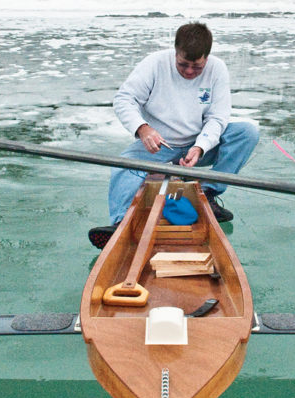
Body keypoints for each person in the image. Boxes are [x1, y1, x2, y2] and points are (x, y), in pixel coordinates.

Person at [88, 22, 260, 249]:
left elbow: (218, 118)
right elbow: (124, 99)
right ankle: (120, 223)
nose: (189, 71)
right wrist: (143, 128)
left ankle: (209, 191)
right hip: (158, 145)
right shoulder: (154, 63)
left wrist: (200, 147)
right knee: (122, 165)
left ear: (206, 58)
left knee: (247, 132)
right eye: (183, 64)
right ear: (175, 52)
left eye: (196, 67)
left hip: (197, 144)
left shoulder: (217, 69)